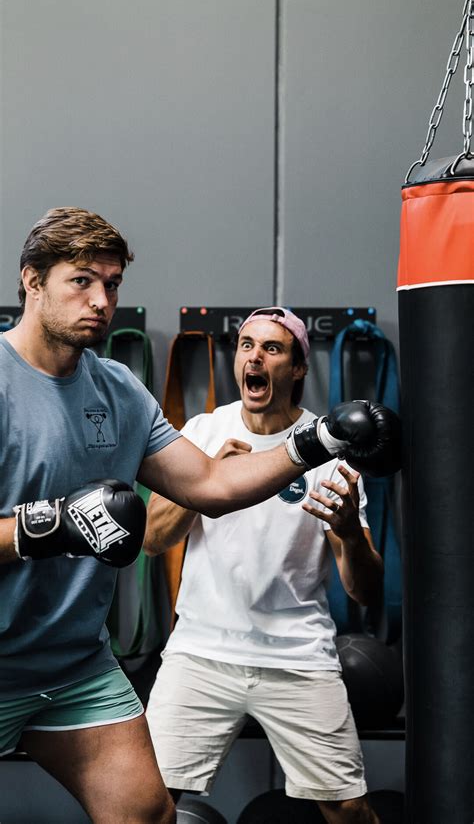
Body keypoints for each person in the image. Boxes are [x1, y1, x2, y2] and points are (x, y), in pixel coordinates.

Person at [0, 208, 397, 824]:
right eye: (82, 280)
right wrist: (48, 526)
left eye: (112, 284)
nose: (102, 300)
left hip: (75, 665)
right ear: (31, 280)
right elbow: (150, 531)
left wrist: (315, 442)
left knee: (146, 814)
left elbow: (209, 483)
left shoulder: (118, 390)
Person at [144, 307, 385, 824]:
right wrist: (208, 486)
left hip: (298, 656)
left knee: (347, 808)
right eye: (247, 345)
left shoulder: (331, 449)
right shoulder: (205, 432)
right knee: (146, 805)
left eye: (272, 349)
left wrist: (346, 532)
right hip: (201, 653)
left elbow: (365, 590)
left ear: (297, 369)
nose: (254, 357)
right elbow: (149, 539)